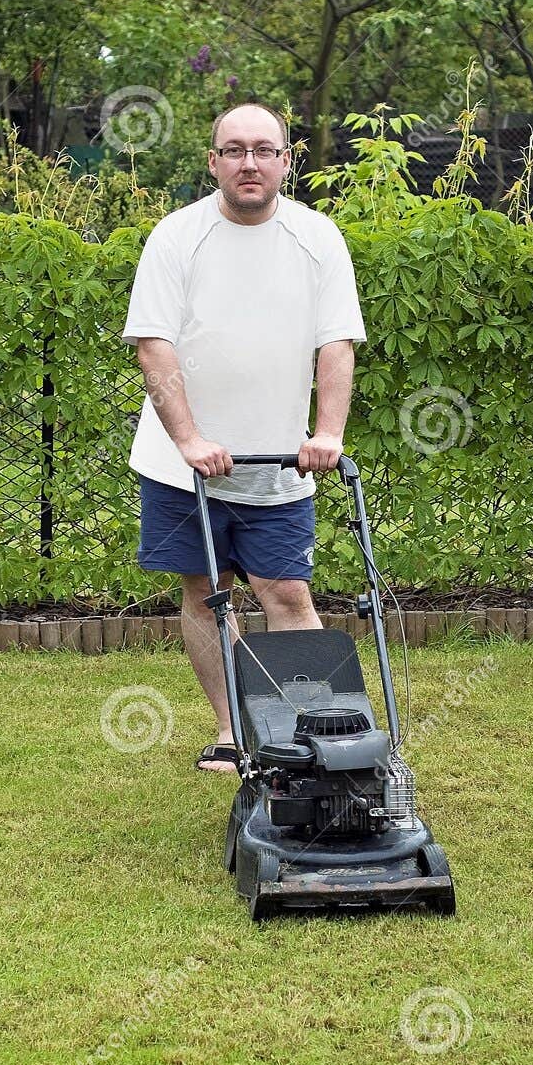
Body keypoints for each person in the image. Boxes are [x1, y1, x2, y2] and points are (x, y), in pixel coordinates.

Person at [121, 101, 366, 770]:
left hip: (280, 464)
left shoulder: (318, 238)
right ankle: (233, 731)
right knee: (204, 590)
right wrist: (191, 440)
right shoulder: (177, 237)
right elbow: (154, 348)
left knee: (285, 592)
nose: (249, 162)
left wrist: (327, 432)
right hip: (182, 466)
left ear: (286, 161)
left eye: (264, 149)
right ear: (214, 162)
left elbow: (337, 344)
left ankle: (321, 730)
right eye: (234, 150)